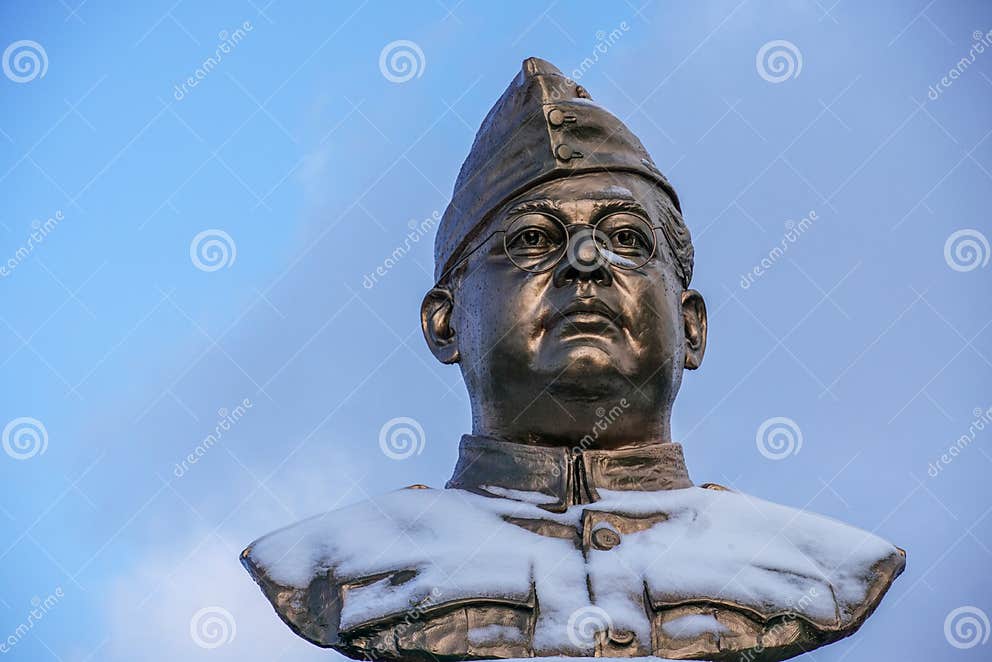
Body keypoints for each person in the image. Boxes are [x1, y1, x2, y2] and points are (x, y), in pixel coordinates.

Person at [241, 57, 904, 661]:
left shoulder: (820, 565)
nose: (586, 261)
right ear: (445, 323)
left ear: (692, 327)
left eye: (627, 239)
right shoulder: (337, 566)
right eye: (533, 239)